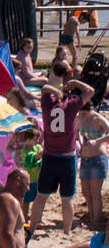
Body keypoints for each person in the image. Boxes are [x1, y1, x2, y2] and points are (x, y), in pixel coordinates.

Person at [30, 68, 94, 235]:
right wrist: (76, 83)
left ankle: (31, 228)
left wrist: (57, 90)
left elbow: (44, 88)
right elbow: (90, 91)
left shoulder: (47, 105)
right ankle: (66, 231)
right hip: (67, 159)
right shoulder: (72, 106)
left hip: (49, 157)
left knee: (41, 197)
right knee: (67, 200)